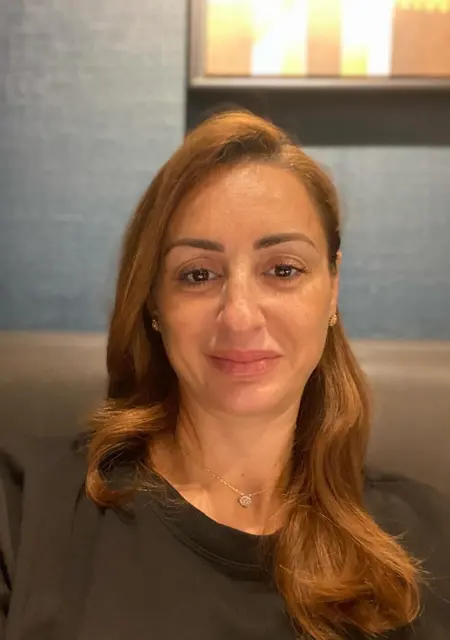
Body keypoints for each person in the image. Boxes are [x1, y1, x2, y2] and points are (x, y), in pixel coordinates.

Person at [0, 110, 449, 640]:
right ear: (153, 303)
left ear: (333, 289)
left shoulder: (428, 542)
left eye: (283, 270)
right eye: (198, 274)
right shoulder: (24, 512)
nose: (239, 316)